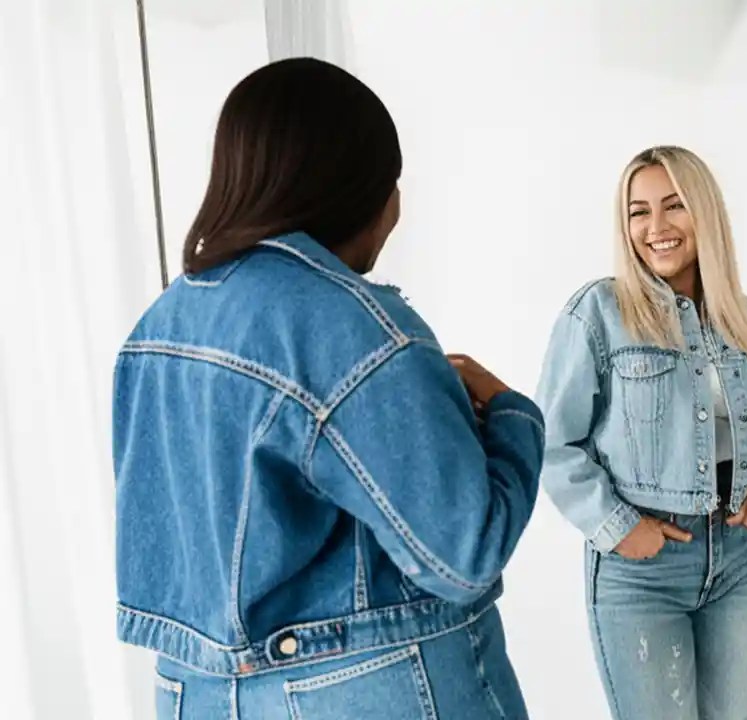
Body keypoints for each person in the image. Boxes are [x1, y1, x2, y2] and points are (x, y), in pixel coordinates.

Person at [112, 57, 543, 719]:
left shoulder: (158, 327)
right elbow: (463, 555)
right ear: (366, 190)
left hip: (190, 694)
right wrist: (512, 415)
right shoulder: (359, 331)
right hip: (362, 690)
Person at [536, 145, 747, 720]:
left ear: (706, 214)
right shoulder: (597, 313)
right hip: (642, 569)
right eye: (638, 211)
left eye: (674, 207)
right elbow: (551, 441)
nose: (656, 228)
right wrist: (618, 527)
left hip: (746, 563)